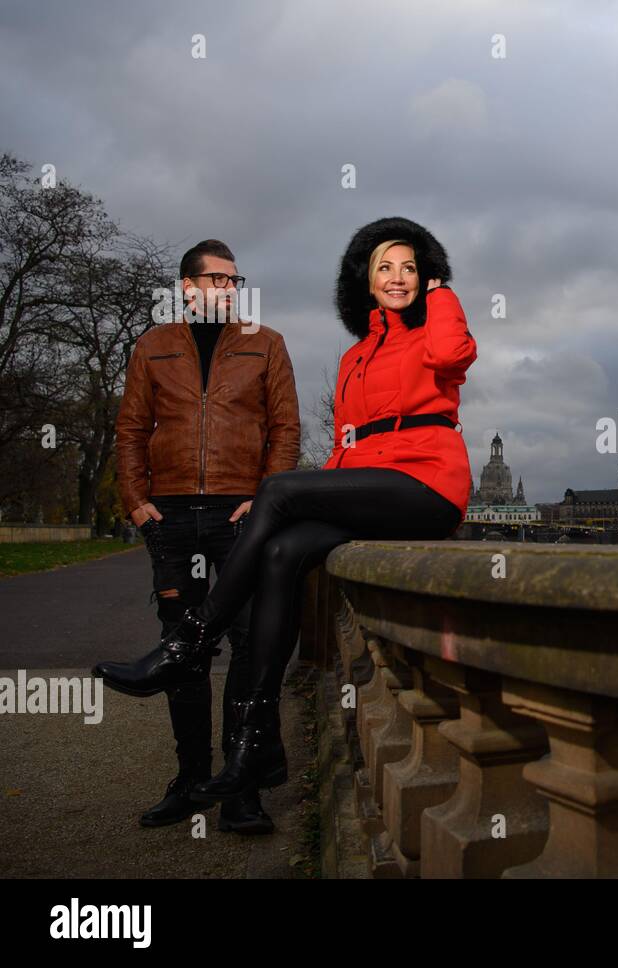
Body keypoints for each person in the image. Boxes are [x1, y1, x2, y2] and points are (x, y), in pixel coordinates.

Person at [94, 217, 475, 809]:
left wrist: (441, 288)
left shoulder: (432, 327)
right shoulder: (354, 356)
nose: (397, 277)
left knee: (277, 493)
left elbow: (455, 354)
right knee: (283, 550)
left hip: (427, 480)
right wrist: (137, 498)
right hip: (356, 488)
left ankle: (189, 643)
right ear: (365, 283)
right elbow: (346, 445)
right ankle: (251, 749)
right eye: (384, 268)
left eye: (410, 266)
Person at [99, 239, 302, 833]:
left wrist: (263, 498)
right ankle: (190, 781)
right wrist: (136, 503)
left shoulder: (267, 344)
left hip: (240, 516)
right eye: (216, 279)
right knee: (182, 648)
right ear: (187, 286)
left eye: (234, 281)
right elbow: (131, 428)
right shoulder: (153, 346)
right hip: (171, 516)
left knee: (247, 645)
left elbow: (285, 429)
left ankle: (240, 787)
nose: (227, 289)